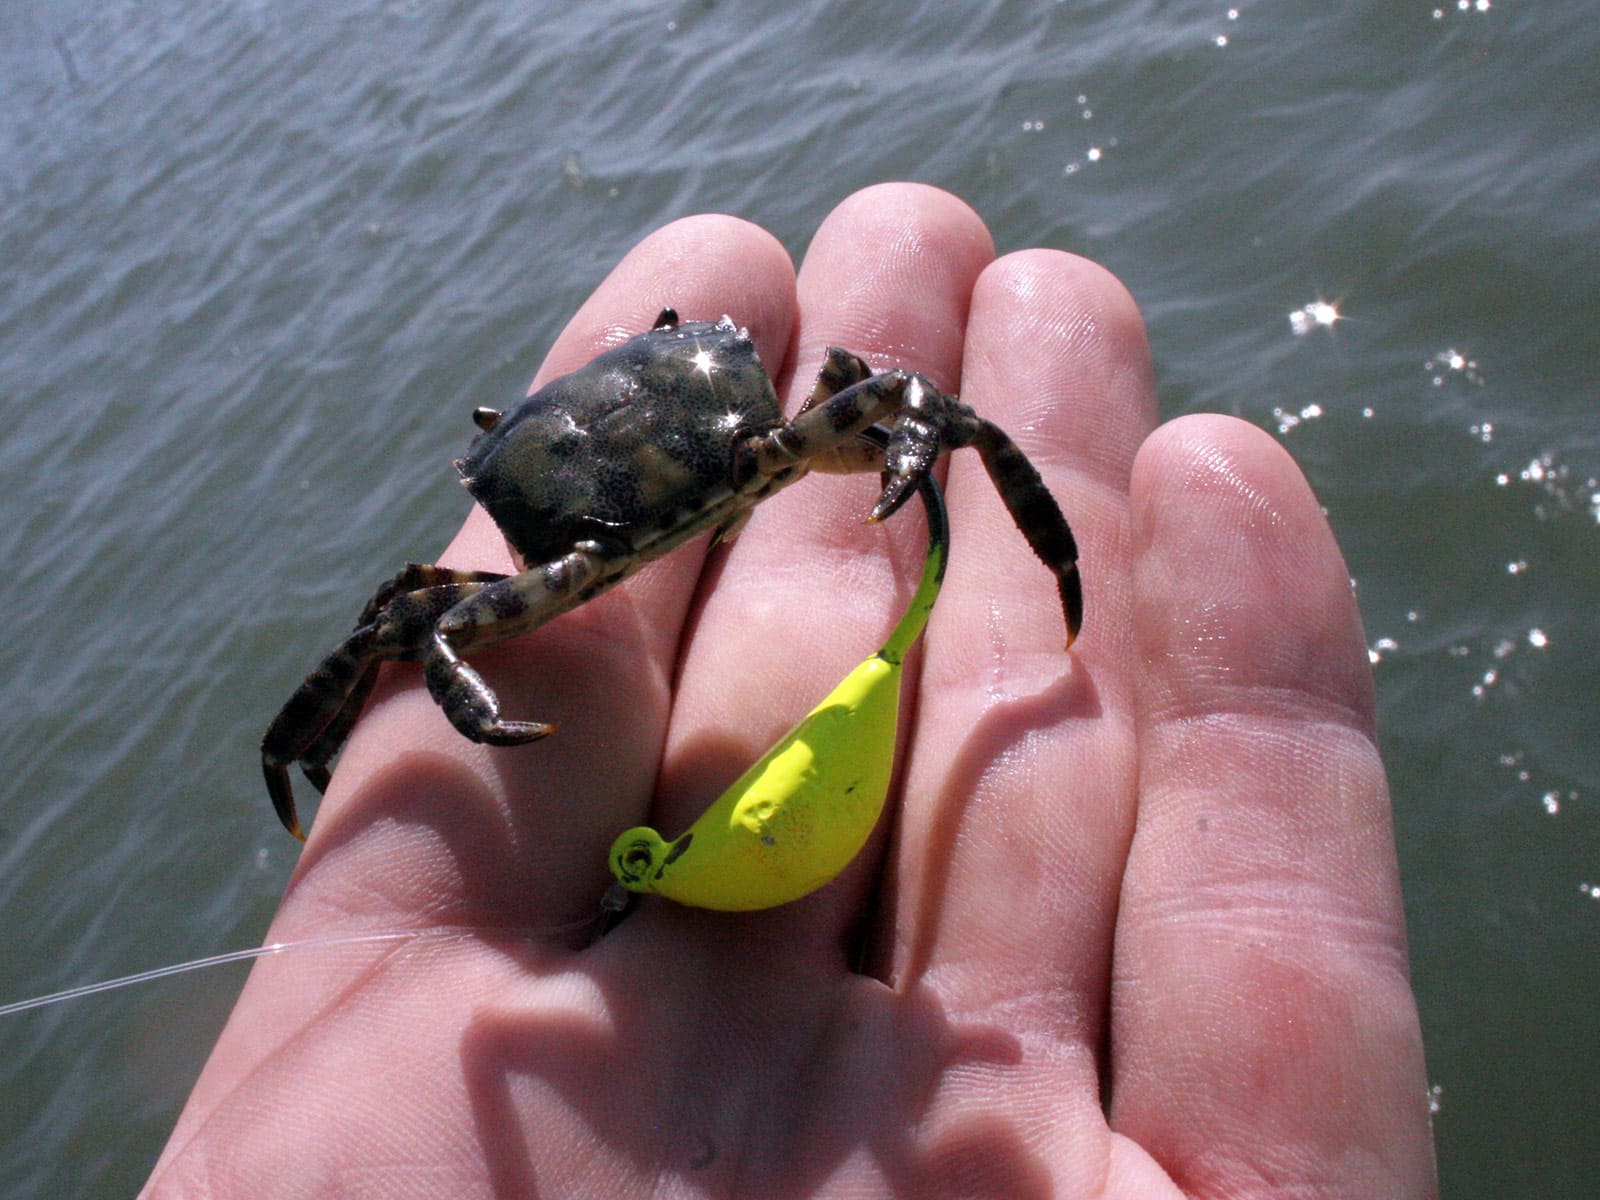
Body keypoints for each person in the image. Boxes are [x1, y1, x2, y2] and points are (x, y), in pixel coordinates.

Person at [144, 184, 1436, 1198]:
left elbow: (923, 405)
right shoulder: (746, 424)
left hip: (638, 525)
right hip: (671, 507)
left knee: (946, 414)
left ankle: (1053, 559)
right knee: (409, 629)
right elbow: (422, 639)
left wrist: (912, 442)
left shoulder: (770, 425)